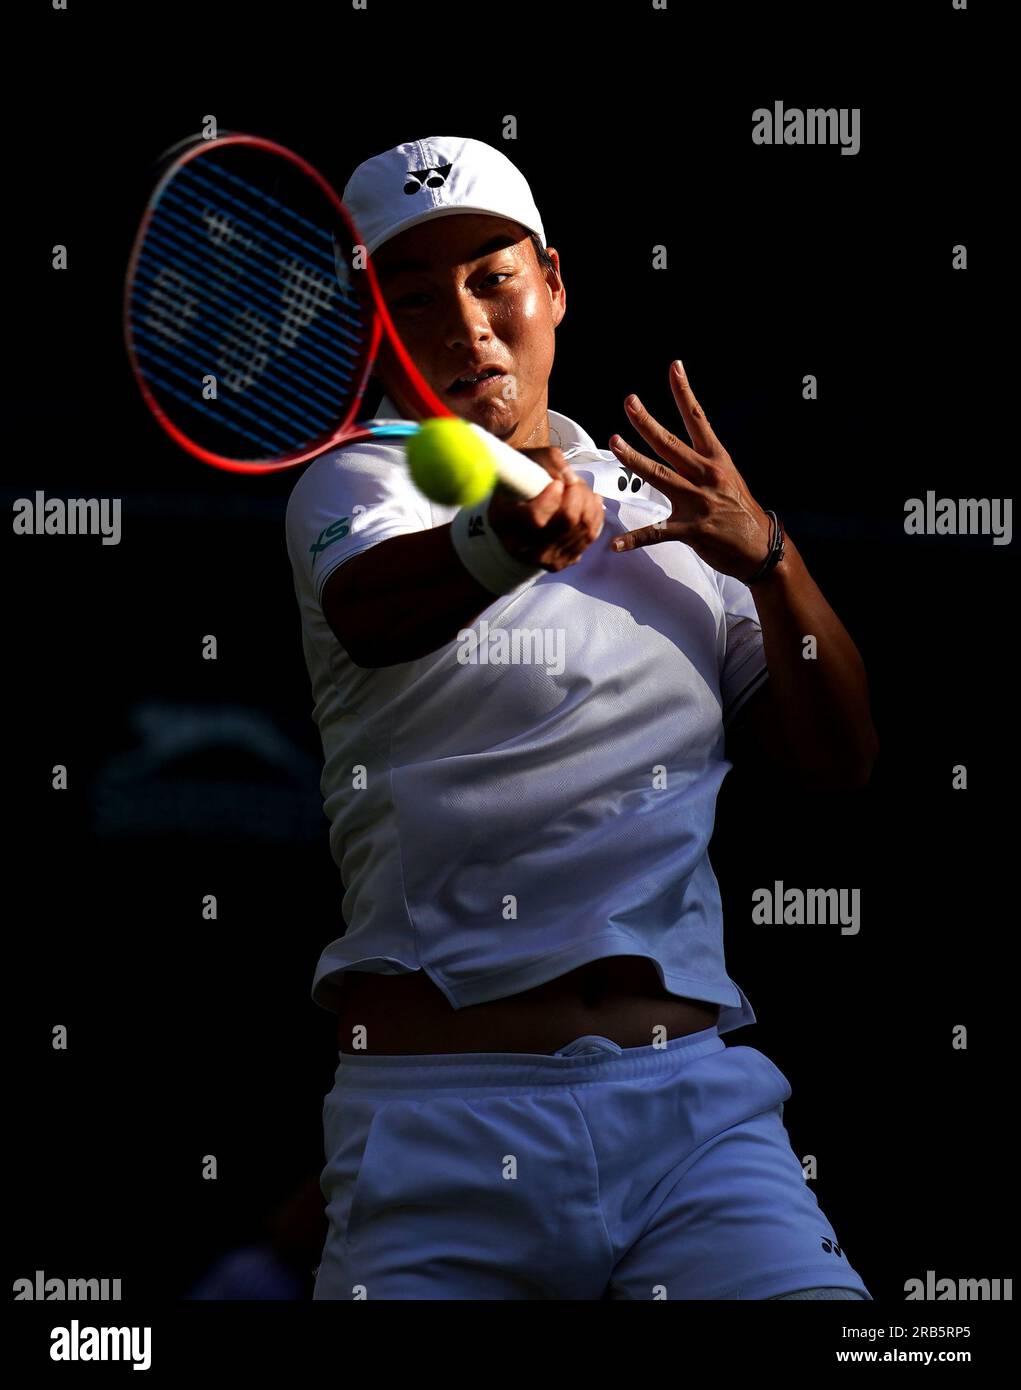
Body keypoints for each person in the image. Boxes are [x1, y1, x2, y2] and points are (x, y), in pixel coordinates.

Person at [284, 136, 879, 1300]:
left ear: (552, 283)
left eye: (489, 277)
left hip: (694, 1122)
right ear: (375, 334)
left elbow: (839, 762)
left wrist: (767, 555)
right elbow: (373, 609)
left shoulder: (672, 506)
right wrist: (495, 542)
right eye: (412, 297)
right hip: (434, 1132)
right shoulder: (357, 484)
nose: (463, 323)